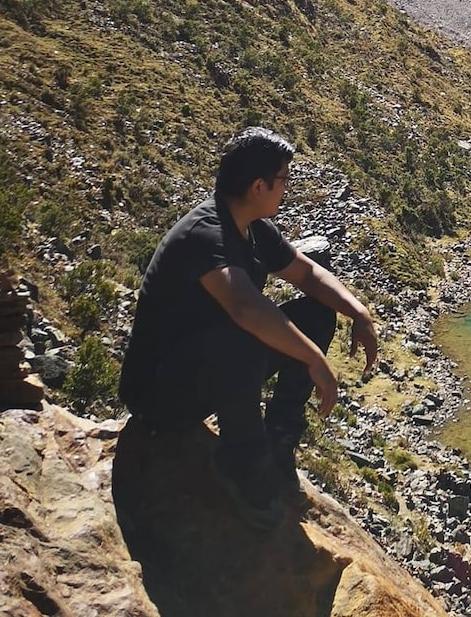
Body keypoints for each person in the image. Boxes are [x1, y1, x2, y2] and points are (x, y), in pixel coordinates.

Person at [119, 127, 378, 529]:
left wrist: (359, 313)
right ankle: (243, 466)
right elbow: (244, 307)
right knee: (241, 336)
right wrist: (314, 359)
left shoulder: (253, 228)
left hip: (209, 370)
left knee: (316, 314)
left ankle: (279, 440)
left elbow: (307, 274)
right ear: (260, 186)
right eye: (283, 181)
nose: (286, 191)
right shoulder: (206, 233)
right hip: (159, 394)